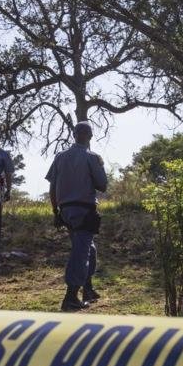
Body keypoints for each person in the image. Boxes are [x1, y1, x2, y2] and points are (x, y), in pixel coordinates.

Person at [46, 121, 108, 312]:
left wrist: (56, 212)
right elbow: (102, 185)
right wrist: (100, 165)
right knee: (80, 253)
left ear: (74, 135)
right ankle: (71, 297)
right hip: (84, 210)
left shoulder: (60, 157)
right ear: (89, 136)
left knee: (89, 250)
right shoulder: (92, 157)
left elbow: (52, 187)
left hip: (66, 211)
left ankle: (87, 289)